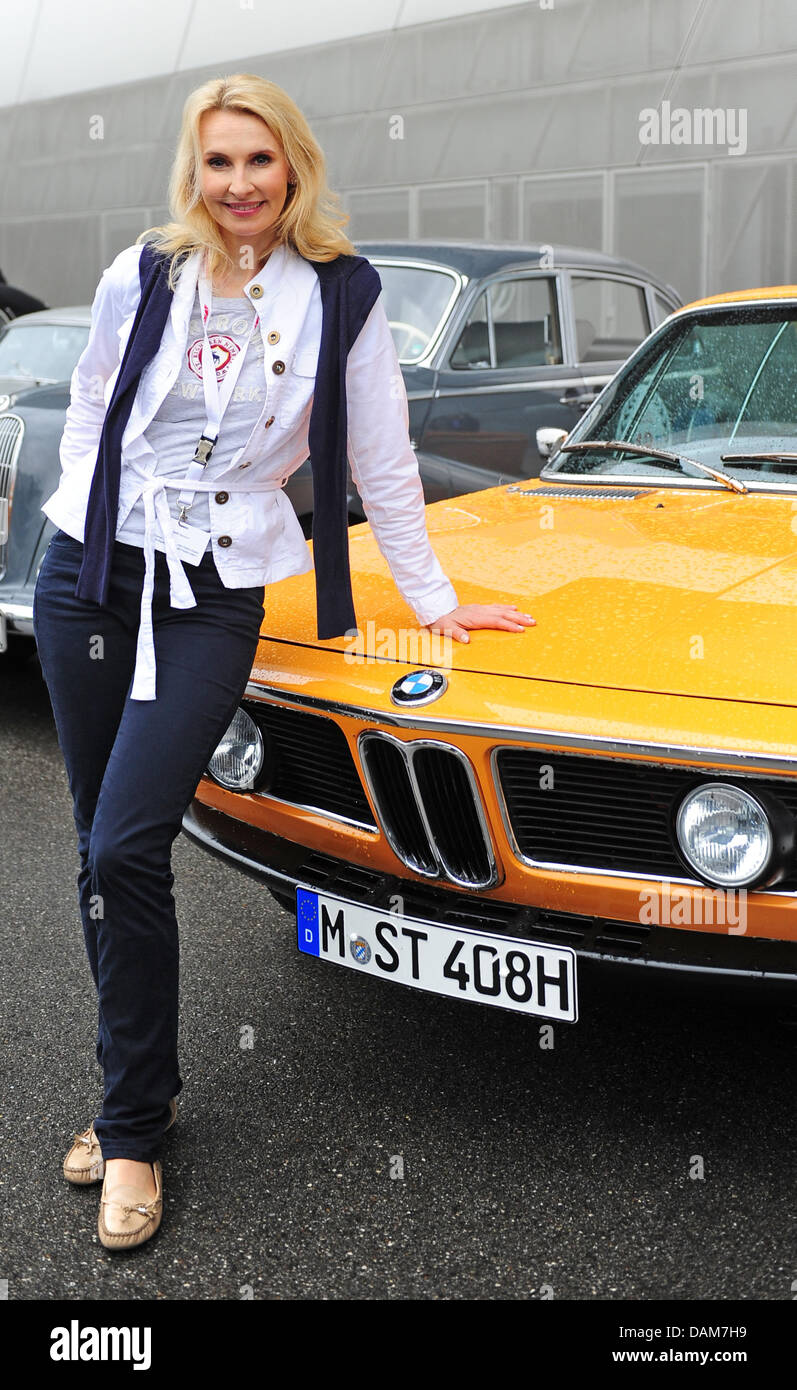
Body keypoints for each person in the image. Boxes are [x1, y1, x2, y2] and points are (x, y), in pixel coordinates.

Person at [32, 73, 536, 1252]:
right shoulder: (142, 271)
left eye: (259, 161)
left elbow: (382, 459)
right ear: (192, 173)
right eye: (218, 163)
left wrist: (435, 601)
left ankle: (134, 1131)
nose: (239, 185)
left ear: (294, 167)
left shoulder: (340, 295)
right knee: (95, 848)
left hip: (214, 590)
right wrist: (83, 531)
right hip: (91, 572)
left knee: (125, 841)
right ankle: (135, 1088)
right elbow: (93, 411)